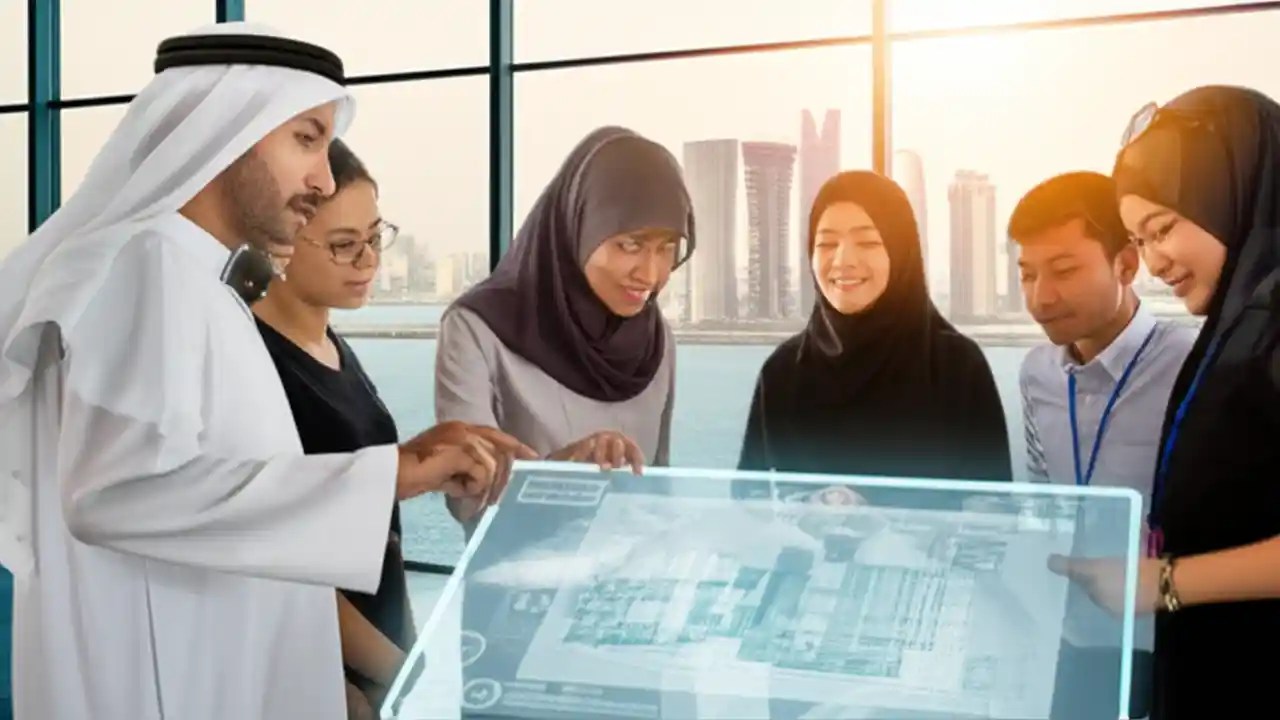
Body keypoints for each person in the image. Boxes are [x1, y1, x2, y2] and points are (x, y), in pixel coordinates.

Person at [0, 23, 528, 720]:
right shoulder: (146, 265)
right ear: (225, 129)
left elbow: (227, 499)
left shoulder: (201, 280)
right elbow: (112, 494)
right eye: (306, 138)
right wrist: (391, 474)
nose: (324, 177)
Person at [1053, 85, 1280, 720]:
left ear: (1229, 193)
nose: (1154, 263)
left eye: (1163, 229)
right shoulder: (1240, 323)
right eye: (1139, 240)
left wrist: (1164, 585)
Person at [436, 126, 694, 532]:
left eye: (666, 248)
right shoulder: (477, 329)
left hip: (625, 585)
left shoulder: (656, 340)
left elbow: (656, 489)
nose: (650, 273)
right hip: (515, 587)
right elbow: (467, 497)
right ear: (580, 226)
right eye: (630, 245)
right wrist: (562, 473)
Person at [1011, 171, 1195, 719]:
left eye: (1064, 271)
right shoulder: (1036, 374)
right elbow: (1041, 495)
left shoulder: (1192, 365)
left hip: (1171, 639)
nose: (1041, 297)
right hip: (1066, 641)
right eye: (1026, 275)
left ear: (1126, 263)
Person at [252, 138, 416, 719]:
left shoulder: (331, 345)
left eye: (375, 237)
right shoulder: (257, 366)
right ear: (279, 243)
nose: (369, 260)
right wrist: (400, 670)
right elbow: (285, 565)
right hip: (327, 676)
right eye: (345, 246)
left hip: (381, 653)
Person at [736, 170, 1012, 490]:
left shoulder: (956, 367)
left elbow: (992, 513)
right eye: (826, 244)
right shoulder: (783, 372)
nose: (843, 260)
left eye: (867, 241)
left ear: (900, 251)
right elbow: (748, 499)